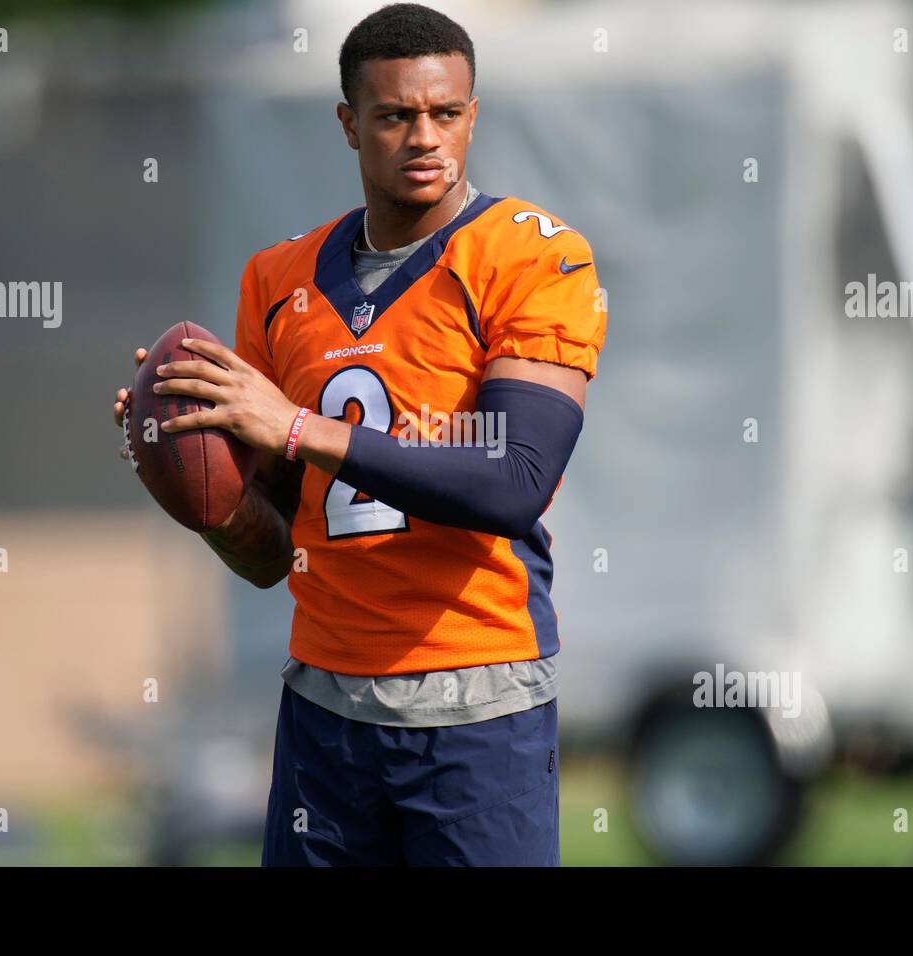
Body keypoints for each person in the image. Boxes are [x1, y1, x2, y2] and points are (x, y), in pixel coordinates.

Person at [111, 2, 607, 866]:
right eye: (395, 115)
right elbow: (272, 555)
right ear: (349, 124)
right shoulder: (277, 277)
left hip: (477, 707)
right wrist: (202, 487)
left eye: (446, 113)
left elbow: (514, 480)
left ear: (472, 115)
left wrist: (299, 427)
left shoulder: (532, 256)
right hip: (326, 715)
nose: (425, 137)